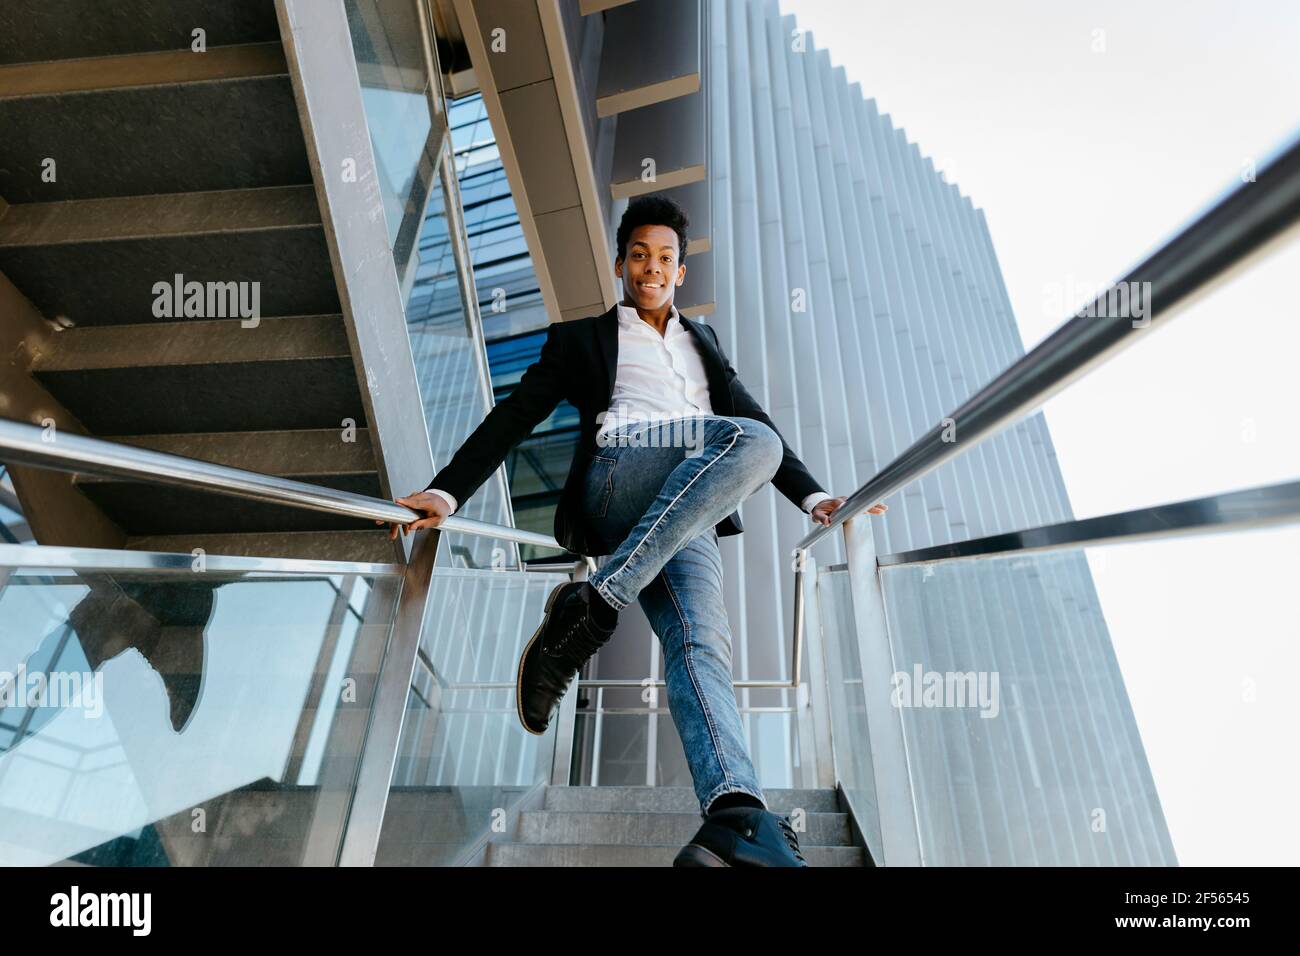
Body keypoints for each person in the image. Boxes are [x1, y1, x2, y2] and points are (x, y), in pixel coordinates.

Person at [382, 194, 886, 867]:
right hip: (620, 470)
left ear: (681, 272)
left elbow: (754, 417)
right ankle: (601, 599)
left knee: (701, 643)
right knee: (751, 441)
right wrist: (447, 492)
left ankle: (734, 814)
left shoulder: (704, 342)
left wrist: (818, 497)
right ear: (621, 264)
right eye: (640, 255)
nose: (652, 267)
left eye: (665, 258)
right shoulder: (581, 340)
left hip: (686, 508)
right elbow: (515, 415)